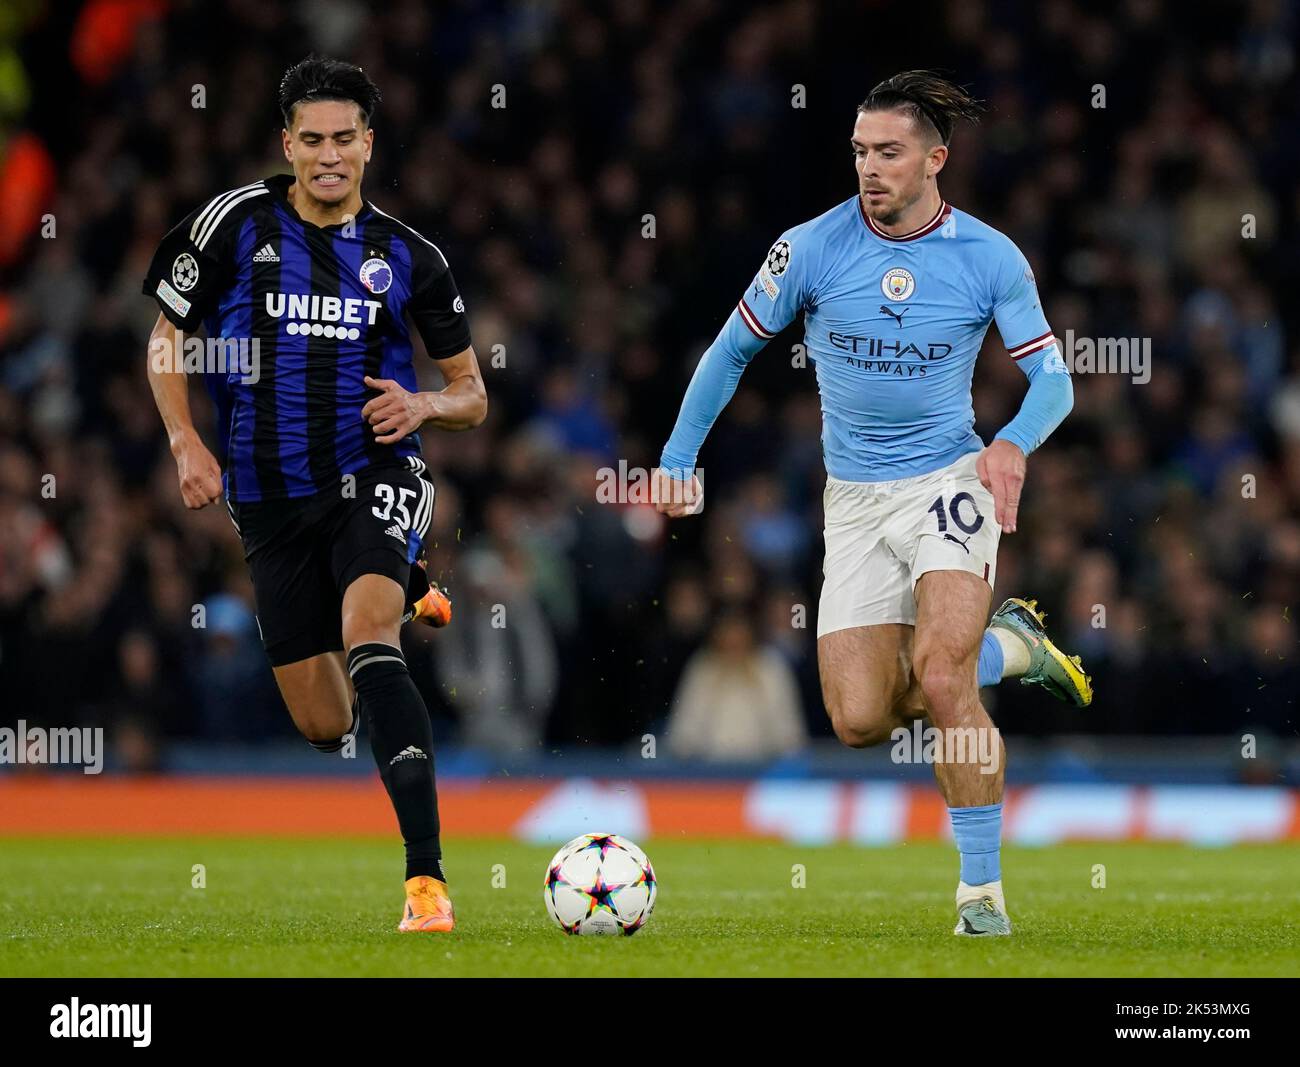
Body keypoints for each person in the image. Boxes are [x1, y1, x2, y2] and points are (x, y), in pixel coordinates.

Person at [654, 71, 1091, 936]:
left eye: (888, 152)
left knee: (936, 671)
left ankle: (980, 896)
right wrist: (676, 457)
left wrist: (1009, 445)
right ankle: (1012, 647)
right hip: (852, 500)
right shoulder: (809, 247)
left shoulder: (990, 256)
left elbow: (1054, 377)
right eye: (859, 151)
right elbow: (731, 349)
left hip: (948, 482)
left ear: (936, 159)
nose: (869, 167)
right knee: (857, 719)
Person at [143, 56, 486, 933]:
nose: (328, 155)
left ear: (369, 145)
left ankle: (427, 882)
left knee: (368, 636)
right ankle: (412, 584)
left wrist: (425, 403)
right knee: (323, 722)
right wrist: (185, 440)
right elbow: (164, 338)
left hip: (374, 471)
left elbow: (472, 394)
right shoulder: (230, 226)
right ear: (286, 143)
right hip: (263, 499)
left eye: (345, 139)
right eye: (313, 139)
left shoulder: (410, 257)